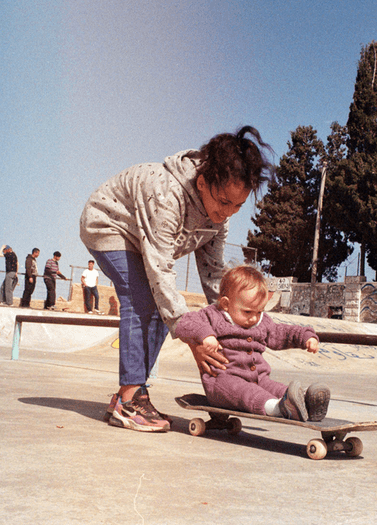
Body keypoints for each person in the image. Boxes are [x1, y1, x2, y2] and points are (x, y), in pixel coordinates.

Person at [80, 125, 273, 433]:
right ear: (201, 182)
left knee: (159, 305)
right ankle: (130, 399)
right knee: (141, 299)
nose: (227, 213)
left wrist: (231, 325)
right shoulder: (168, 196)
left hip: (142, 238)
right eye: (223, 201)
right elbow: (160, 272)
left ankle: (131, 393)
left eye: (237, 206)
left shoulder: (218, 220)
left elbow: (214, 279)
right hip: (109, 224)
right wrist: (196, 337)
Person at [175, 265, 331, 421]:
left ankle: (306, 403)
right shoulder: (213, 315)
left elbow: (281, 332)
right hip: (223, 382)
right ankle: (278, 409)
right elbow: (185, 322)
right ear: (226, 304)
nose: (254, 318)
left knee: (279, 389)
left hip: (259, 379)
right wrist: (205, 335)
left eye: (259, 311)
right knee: (247, 392)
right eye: (248, 312)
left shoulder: (261, 323)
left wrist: (305, 336)